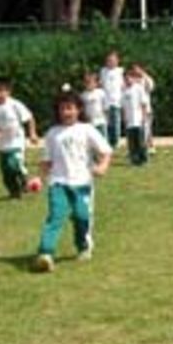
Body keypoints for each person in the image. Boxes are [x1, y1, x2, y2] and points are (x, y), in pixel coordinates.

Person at [34, 89, 113, 272]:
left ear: (78, 109)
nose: (66, 112)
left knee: (81, 216)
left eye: (70, 108)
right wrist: (40, 177)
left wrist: (102, 167)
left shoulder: (86, 129)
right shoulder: (53, 133)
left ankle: (83, 246)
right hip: (58, 183)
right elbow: (47, 161)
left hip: (82, 183)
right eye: (62, 109)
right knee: (55, 216)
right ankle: (45, 253)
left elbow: (106, 151)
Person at [0, 77, 39, 199]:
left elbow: (29, 118)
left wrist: (32, 133)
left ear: (8, 92)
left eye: (2, 91)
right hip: (3, 145)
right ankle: (14, 193)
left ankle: (25, 180)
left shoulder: (15, 105)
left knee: (14, 164)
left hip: (16, 142)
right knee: (6, 173)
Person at [121, 64, 151, 166]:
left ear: (133, 78)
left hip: (138, 119)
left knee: (140, 141)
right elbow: (123, 106)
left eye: (129, 78)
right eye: (125, 79)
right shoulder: (124, 92)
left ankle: (144, 159)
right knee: (131, 142)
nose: (128, 80)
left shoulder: (138, 88)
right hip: (129, 121)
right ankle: (134, 159)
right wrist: (124, 117)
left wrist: (143, 116)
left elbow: (143, 103)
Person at [99, 50, 125, 149]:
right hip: (105, 101)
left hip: (116, 101)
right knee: (106, 123)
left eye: (113, 60)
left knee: (116, 123)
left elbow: (123, 86)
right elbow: (101, 84)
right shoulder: (103, 71)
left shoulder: (120, 71)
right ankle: (107, 141)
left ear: (117, 61)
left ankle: (115, 142)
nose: (110, 62)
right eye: (109, 60)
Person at [81, 71, 109, 140]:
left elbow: (105, 106)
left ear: (96, 83)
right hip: (90, 122)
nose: (89, 84)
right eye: (87, 82)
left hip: (101, 120)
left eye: (91, 82)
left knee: (103, 139)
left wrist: (106, 117)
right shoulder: (83, 95)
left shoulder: (101, 93)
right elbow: (82, 108)